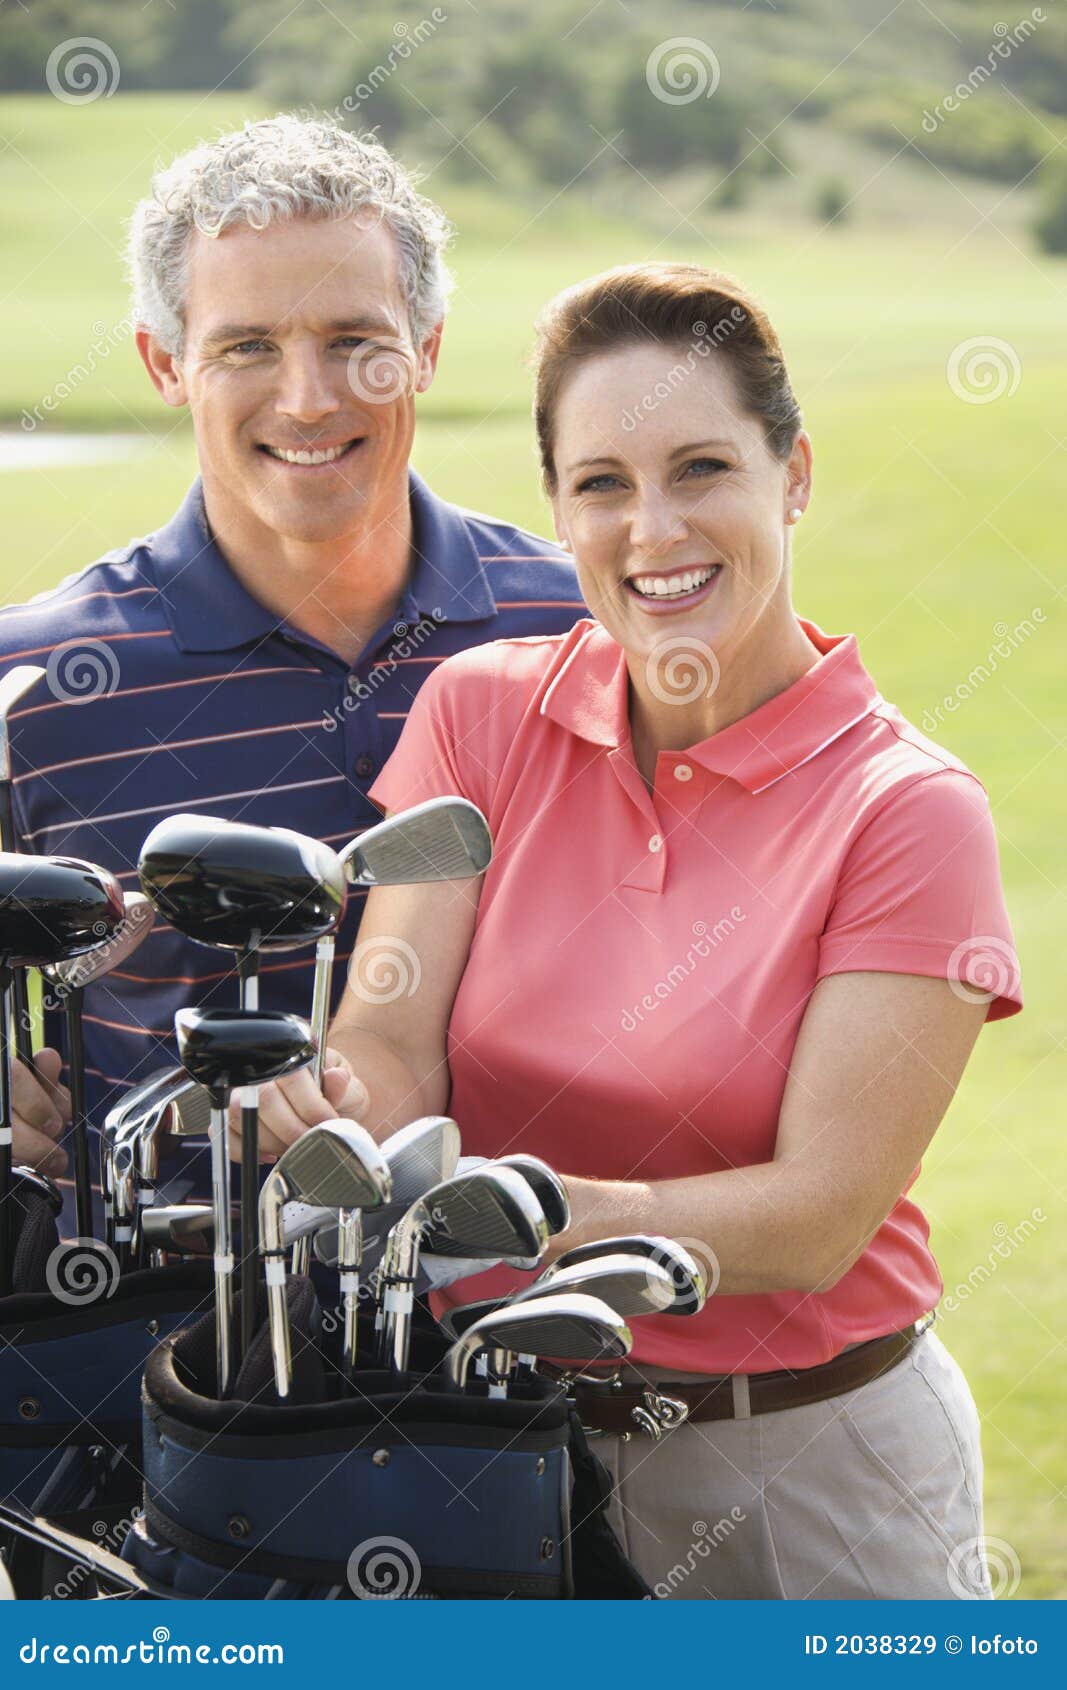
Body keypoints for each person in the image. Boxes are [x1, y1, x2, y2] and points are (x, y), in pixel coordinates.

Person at [248, 262, 1023, 1601]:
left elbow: (816, 1213)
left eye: (701, 467)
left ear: (791, 473)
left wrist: (521, 1212)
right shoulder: (477, 716)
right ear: (555, 508)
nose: (651, 528)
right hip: (498, 1444)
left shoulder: (904, 811)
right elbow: (389, 1033)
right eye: (600, 482)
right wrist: (344, 1116)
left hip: (802, 1472)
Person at [0, 117, 585, 1208]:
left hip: (509, 1332)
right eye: (248, 346)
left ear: (427, 346)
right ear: (165, 362)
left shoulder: (578, 625)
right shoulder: (34, 681)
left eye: (352, 339)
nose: (309, 398)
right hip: (151, 1350)